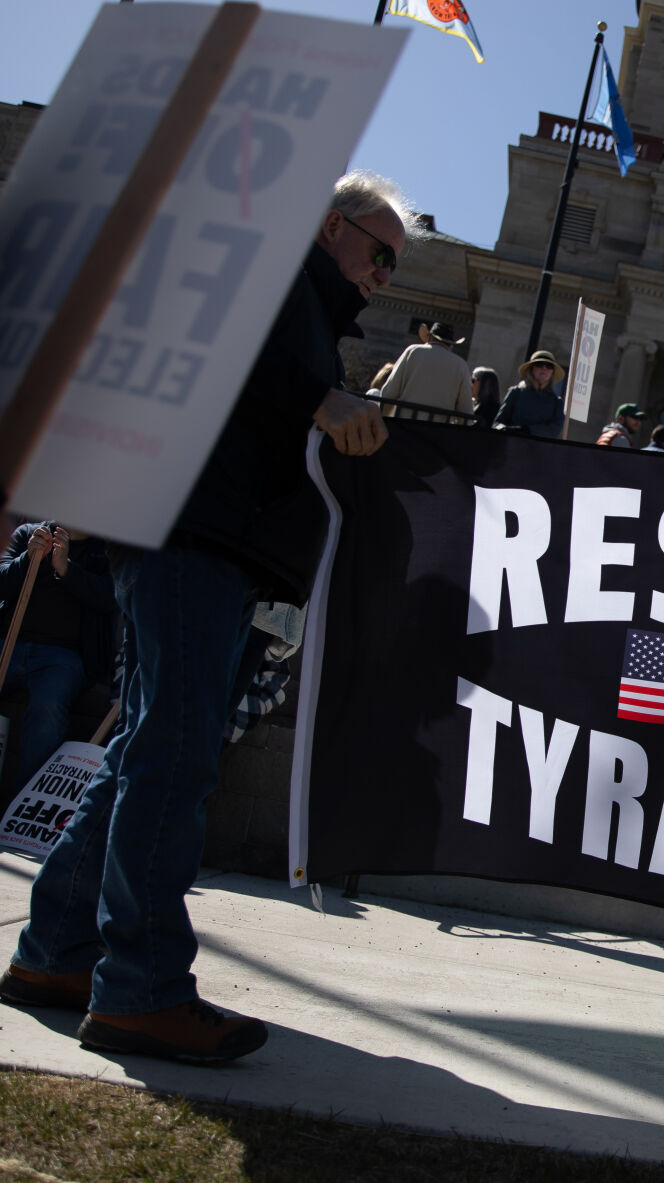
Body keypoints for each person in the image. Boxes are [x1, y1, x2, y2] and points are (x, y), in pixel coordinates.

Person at [0, 169, 412, 1063]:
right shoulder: (268, 276)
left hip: (207, 540)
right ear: (332, 227)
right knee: (173, 758)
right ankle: (141, 989)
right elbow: (207, 347)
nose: (384, 275)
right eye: (379, 252)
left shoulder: (307, 310)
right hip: (191, 534)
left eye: (393, 264)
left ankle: (52, 954)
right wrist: (320, 396)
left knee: (141, 752)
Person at [0, 523, 116, 798]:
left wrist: (67, 570)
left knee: (47, 709)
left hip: (62, 657)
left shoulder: (106, 551)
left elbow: (111, 596)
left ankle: (23, 803)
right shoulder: (28, 534)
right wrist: (28, 560)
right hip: (9, 645)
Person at [380, 321, 472, 421]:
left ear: (429, 337)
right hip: (436, 431)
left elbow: (389, 392)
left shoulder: (413, 351)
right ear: (451, 344)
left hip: (404, 425)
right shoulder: (461, 365)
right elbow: (465, 410)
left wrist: (383, 420)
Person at [494, 350, 566, 438]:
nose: (544, 368)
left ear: (552, 373)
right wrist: (505, 429)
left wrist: (526, 430)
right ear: (531, 369)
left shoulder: (556, 402)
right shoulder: (516, 393)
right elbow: (498, 423)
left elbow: (555, 430)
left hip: (538, 450)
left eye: (549, 366)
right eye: (539, 364)